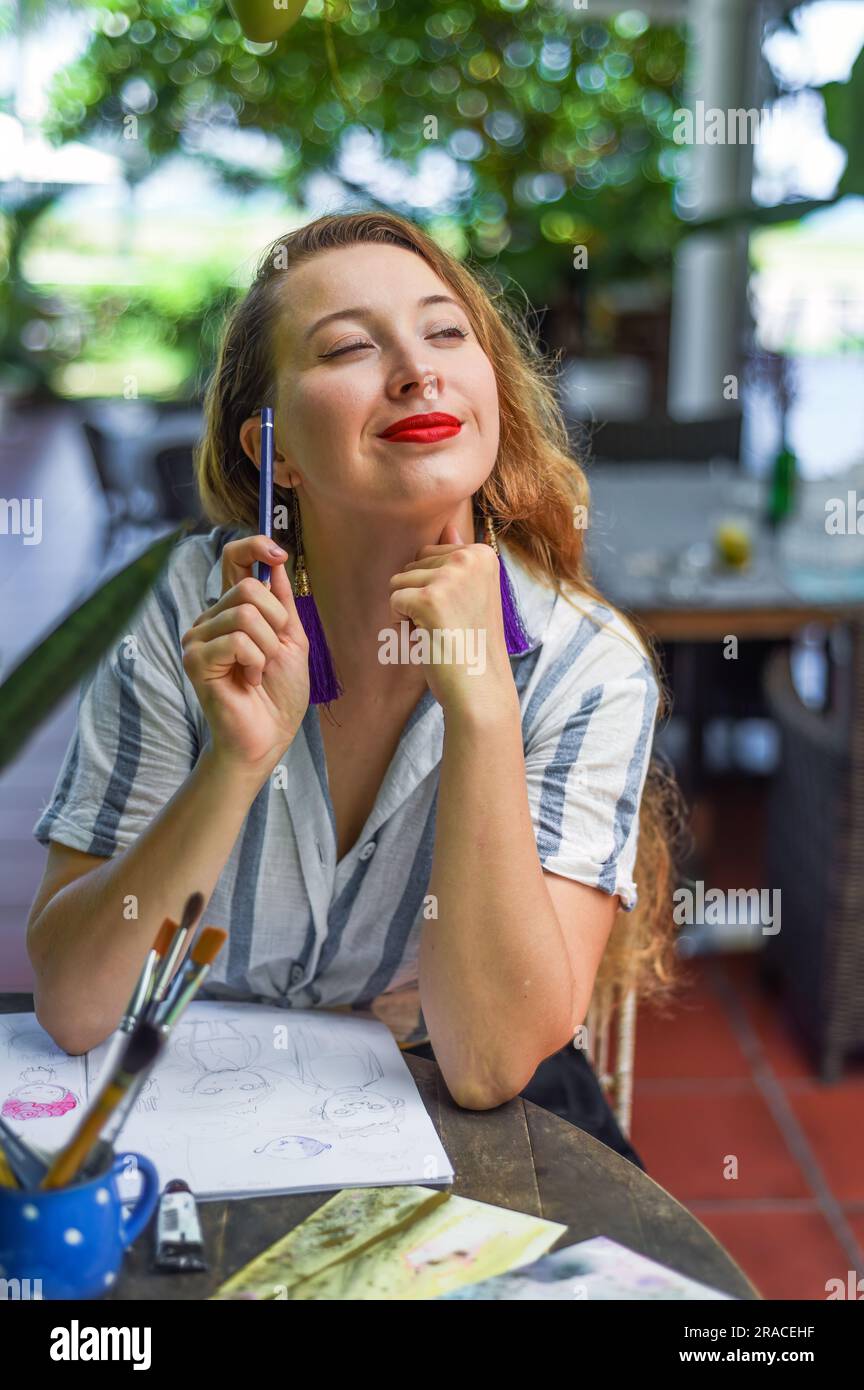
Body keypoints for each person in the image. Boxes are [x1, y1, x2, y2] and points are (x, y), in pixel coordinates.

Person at [27, 212, 682, 1170]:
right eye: (347, 348)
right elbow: (77, 1007)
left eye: (446, 333)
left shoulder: (586, 665)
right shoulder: (183, 617)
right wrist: (235, 763)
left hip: (470, 1126)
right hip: (202, 1114)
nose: (419, 370)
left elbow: (488, 1063)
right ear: (275, 450)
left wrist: (484, 708)